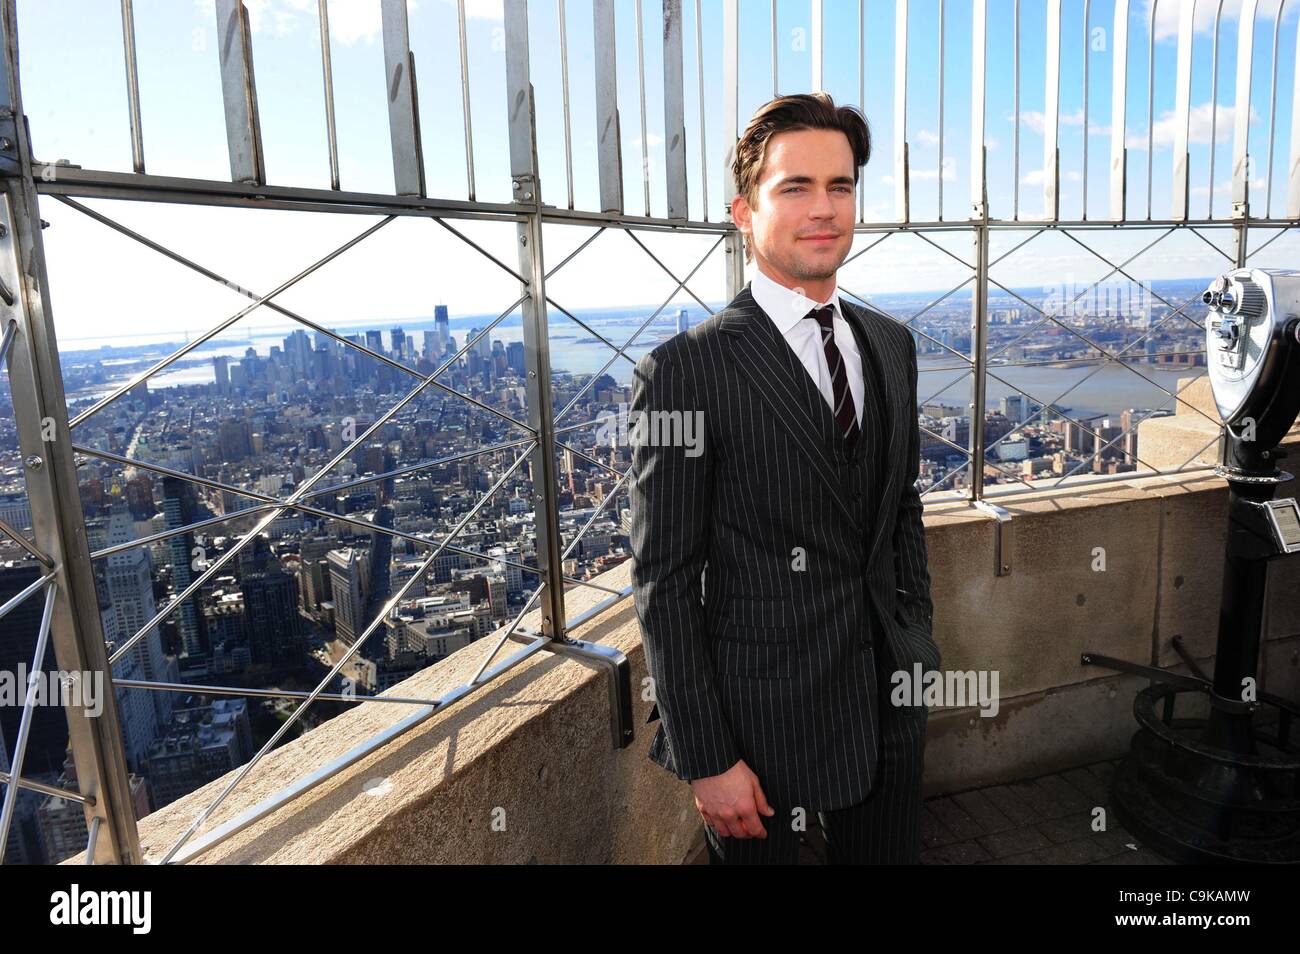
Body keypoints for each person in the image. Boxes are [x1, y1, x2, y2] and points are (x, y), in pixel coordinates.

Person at [628, 91, 940, 864]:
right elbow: (663, 579)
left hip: (889, 705)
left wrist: (917, 637)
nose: (824, 209)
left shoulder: (890, 343)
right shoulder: (686, 370)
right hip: (759, 728)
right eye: (794, 187)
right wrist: (706, 756)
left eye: (840, 186)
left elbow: (900, 510)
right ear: (744, 211)